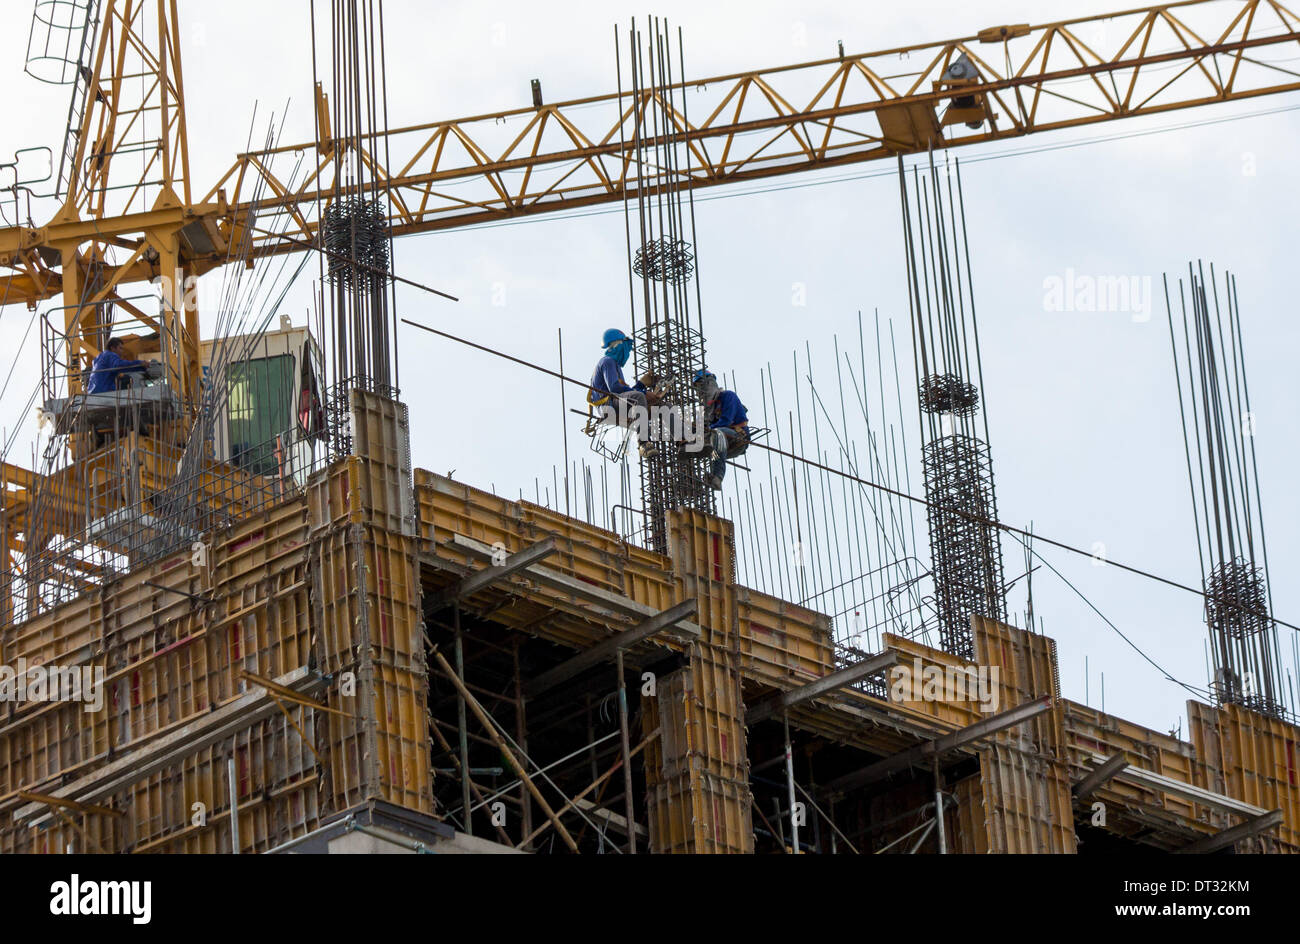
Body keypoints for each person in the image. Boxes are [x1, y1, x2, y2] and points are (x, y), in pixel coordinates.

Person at [589, 328, 661, 454]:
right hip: (608, 405)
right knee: (639, 397)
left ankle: (684, 439)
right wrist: (643, 392)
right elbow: (615, 388)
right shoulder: (607, 362)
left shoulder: (614, 365)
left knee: (661, 405)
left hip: (616, 402)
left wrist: (641, 384)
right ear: (618, 344)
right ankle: (644, 443)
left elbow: (624, 393)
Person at [694, 369, 749, 490]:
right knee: (702, 445)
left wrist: (707, 430)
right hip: (721, 442)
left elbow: (726, 420)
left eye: (701, 386)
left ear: (710, 383)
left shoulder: (728, 396)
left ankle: (718, 477)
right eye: (697, 389)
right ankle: (703, 479)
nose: (700, 392)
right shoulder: (707, 409)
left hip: (737, 438)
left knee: (716, 434)